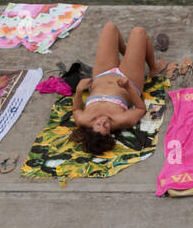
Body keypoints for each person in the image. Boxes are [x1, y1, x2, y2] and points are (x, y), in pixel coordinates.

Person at [70, 22, 168, 155]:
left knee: (110, 27)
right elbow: (141, 109)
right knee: (139, 32)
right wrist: (128, 87)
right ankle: (153, 68)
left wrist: (79, 90)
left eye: (99, 124)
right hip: (128, 79)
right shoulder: (122, 120)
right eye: (106, 127)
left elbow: (76, 109)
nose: (104, 122)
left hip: (101, 74)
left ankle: (131, 54)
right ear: (110, 134)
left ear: (90, 128)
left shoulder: (83, 120)